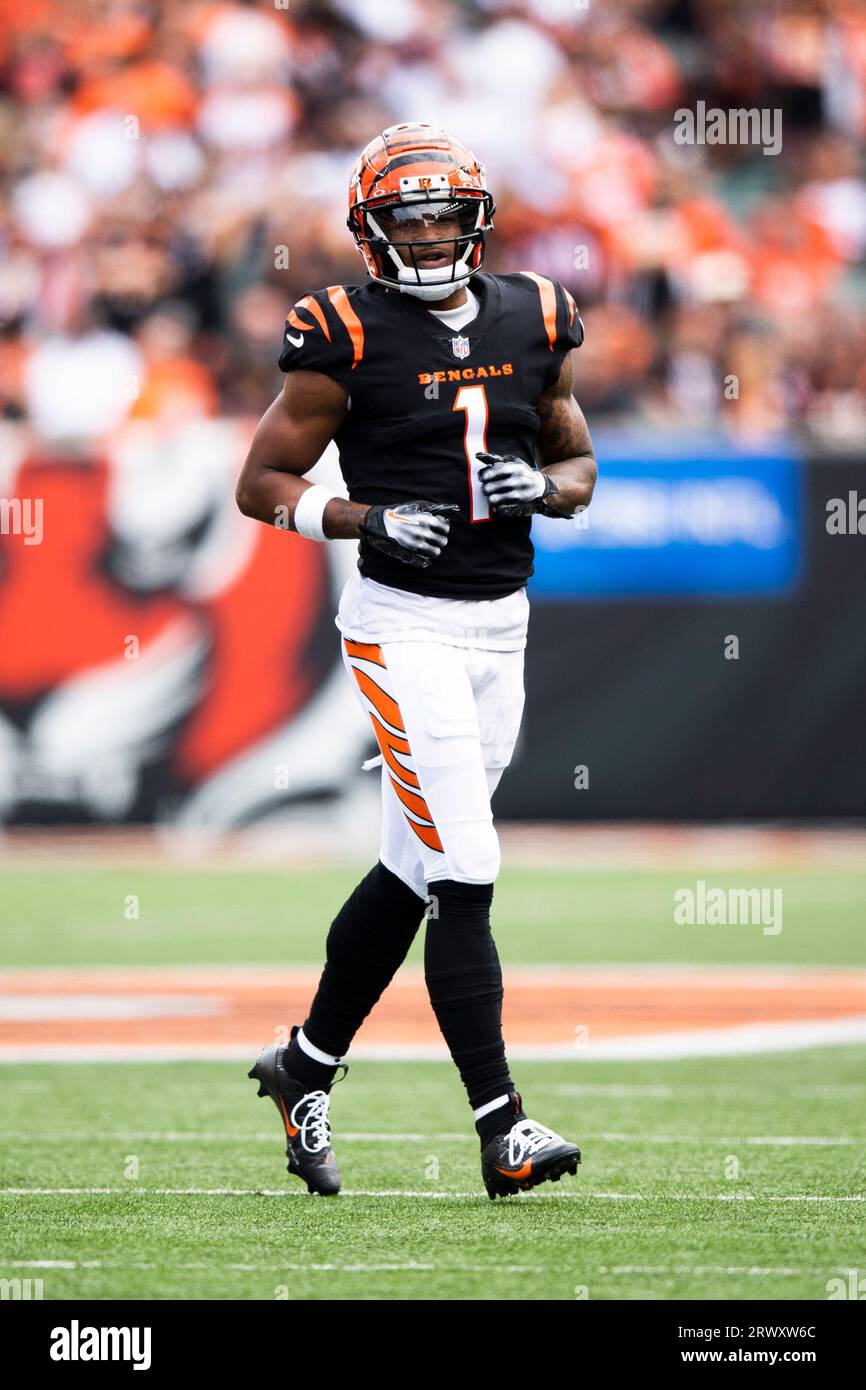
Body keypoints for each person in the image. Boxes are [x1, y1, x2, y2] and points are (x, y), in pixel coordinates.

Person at [236, 122, 596, 1199]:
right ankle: (503, 1129)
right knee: (467, 868)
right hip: (401, 625)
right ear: (371, 231)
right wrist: (362, 518)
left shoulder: (536, 312)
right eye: (409, 218)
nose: (431, 234)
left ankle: (300, 1064)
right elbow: (260, 482)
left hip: (502, 620)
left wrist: (553, 491)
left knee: (411, 869)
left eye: (444, 214)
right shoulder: (340, 330)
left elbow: (574, 456)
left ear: (477, 220)